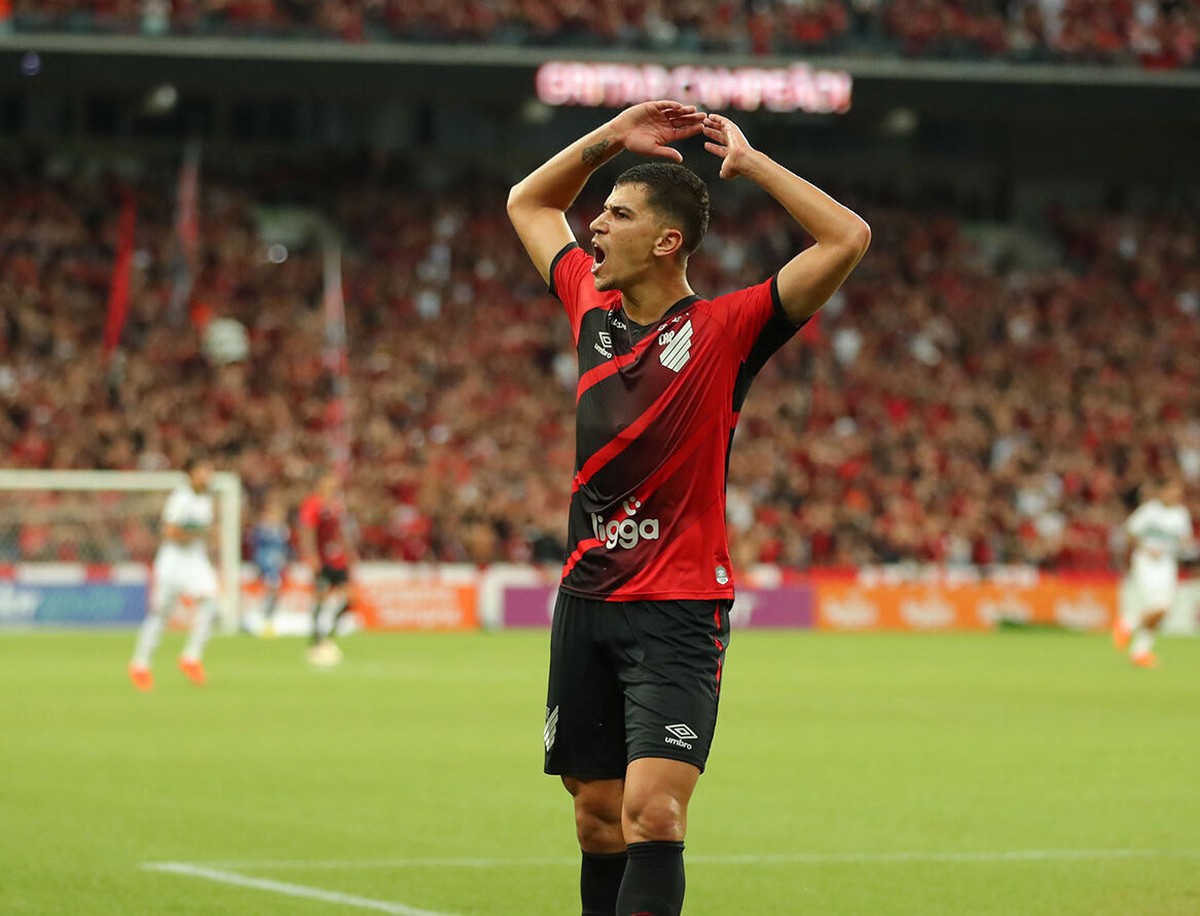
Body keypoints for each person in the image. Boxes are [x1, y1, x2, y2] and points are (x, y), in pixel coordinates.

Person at [506, 100, 870, 915]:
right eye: (599, 214)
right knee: (597, 820)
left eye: (618, 215)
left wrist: (754, 165)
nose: (595, 227)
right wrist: (608, 139)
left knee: (654, 810)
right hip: (586, 601)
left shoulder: (729, 327)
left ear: (666, 241)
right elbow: (527, 203)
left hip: (677, 609)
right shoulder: (587, 309)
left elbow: (848, 239)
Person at [128, 454, 221, 690]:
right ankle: (140, 665)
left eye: (209, 469)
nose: (207, 475)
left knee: (211, 601)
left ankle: (191, 657)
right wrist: (198, 534)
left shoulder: (206, 499)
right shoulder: (181, 498)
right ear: (191, 474)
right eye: (203, 470)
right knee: (160, 614)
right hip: (173, 560)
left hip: (195, 560)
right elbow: (169, 532)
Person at [1115, 478, 1195, 668]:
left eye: (1178, 492)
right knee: (1158, 606)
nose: (1175, 495)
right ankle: (1127, 625)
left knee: (1162, 611)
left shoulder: (1180, 514)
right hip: (1146, 561)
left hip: (1167, 563)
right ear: (1163, 492)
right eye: (1172, 491)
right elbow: (1130, 532)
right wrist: (1144, 547)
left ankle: (1139, 649)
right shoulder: (1150, 511)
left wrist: (1185, 545)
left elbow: (1185, 540)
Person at [298, 469, 356, 665]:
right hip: (322, 560)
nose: (334, 484)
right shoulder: (312, 504)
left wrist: (349, 553)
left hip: (338, 559)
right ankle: (316, 641)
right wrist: (311, 556)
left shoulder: (337, 506)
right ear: (321, 482)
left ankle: (328, 637)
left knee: (350, 599)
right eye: (330, 481)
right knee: (320, 599)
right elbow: (307, 530)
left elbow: (340, 532)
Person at [250, 495, 291, 637]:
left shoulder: (282, 530)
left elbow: (285, 549)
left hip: (277, 566)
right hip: (266, 565)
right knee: (269, 591)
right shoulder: (261, 530)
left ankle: (268, 621)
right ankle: (264, 622)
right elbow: (257, 548)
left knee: (274, 593)